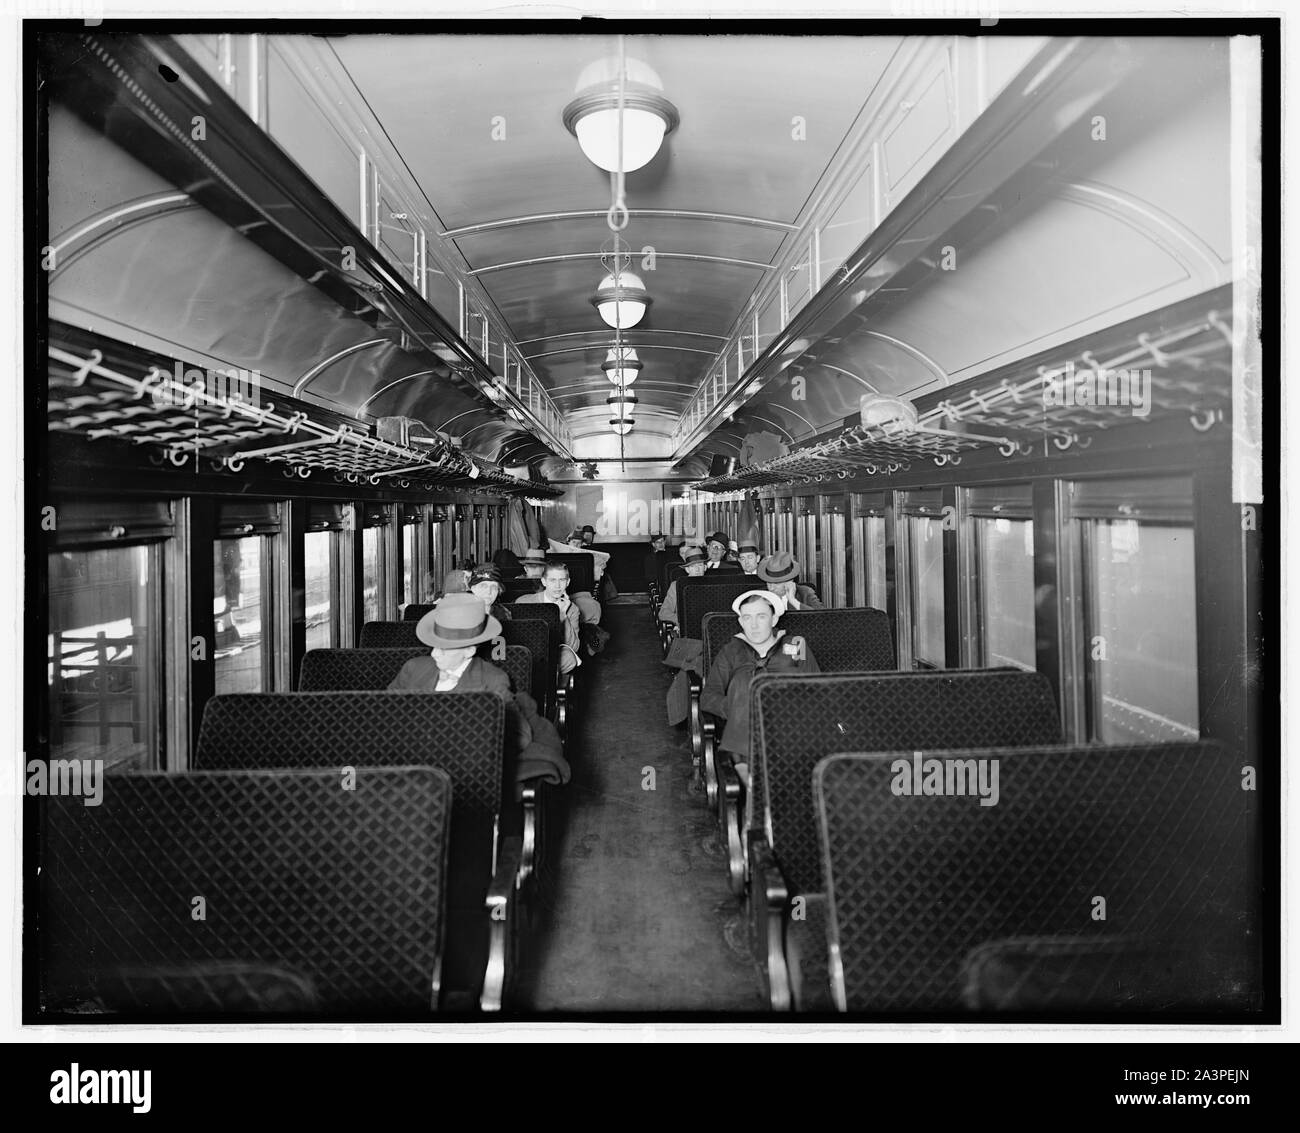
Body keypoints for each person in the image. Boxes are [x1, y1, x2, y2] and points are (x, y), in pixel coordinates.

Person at [387, 594, 569, 788]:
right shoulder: (413, 668)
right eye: (433, 646)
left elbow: (515, 737)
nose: (434, 654)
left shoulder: (492, 681)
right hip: (403, 763)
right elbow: (383, 717)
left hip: (459, 775)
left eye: (444, 648)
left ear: (469, 651)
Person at [699, 589, 820, 785]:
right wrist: (738, 706)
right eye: (747, 618)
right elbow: (709, 696)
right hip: (745, 736)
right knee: (742, 684)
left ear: (773, 620)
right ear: (740, 622)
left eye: (761, 616)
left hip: (794, 731)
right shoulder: (731, 651)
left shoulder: (796, 646)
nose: (753, 625)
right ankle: (755, 782)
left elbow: (817, 688)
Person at [515, 561, 583, 673]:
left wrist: (563, 615)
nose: (557, 586)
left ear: (568, 582)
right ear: (544, 581)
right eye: (552, 580)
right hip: (526, 650)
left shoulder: (572, 609)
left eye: (562, 580)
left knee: (568, 658)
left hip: (553, 652)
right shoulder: (524, 601)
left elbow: (573, 647)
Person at [657, 547, 707, 630]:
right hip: (686, 629)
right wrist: (681, 621)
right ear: (687, 569)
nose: (697, 569)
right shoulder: (676, 586)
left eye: (700, 565)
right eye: (693, 566)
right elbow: (663, 613)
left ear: (705, 567)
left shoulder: (712, 585)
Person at [757, 550, 824, 610]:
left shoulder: (805, 593)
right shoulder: (760, 595)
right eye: (768, 583)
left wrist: (793, 601)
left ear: (789, 581)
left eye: (776, 583)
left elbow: (823, 619)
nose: (771, 588)